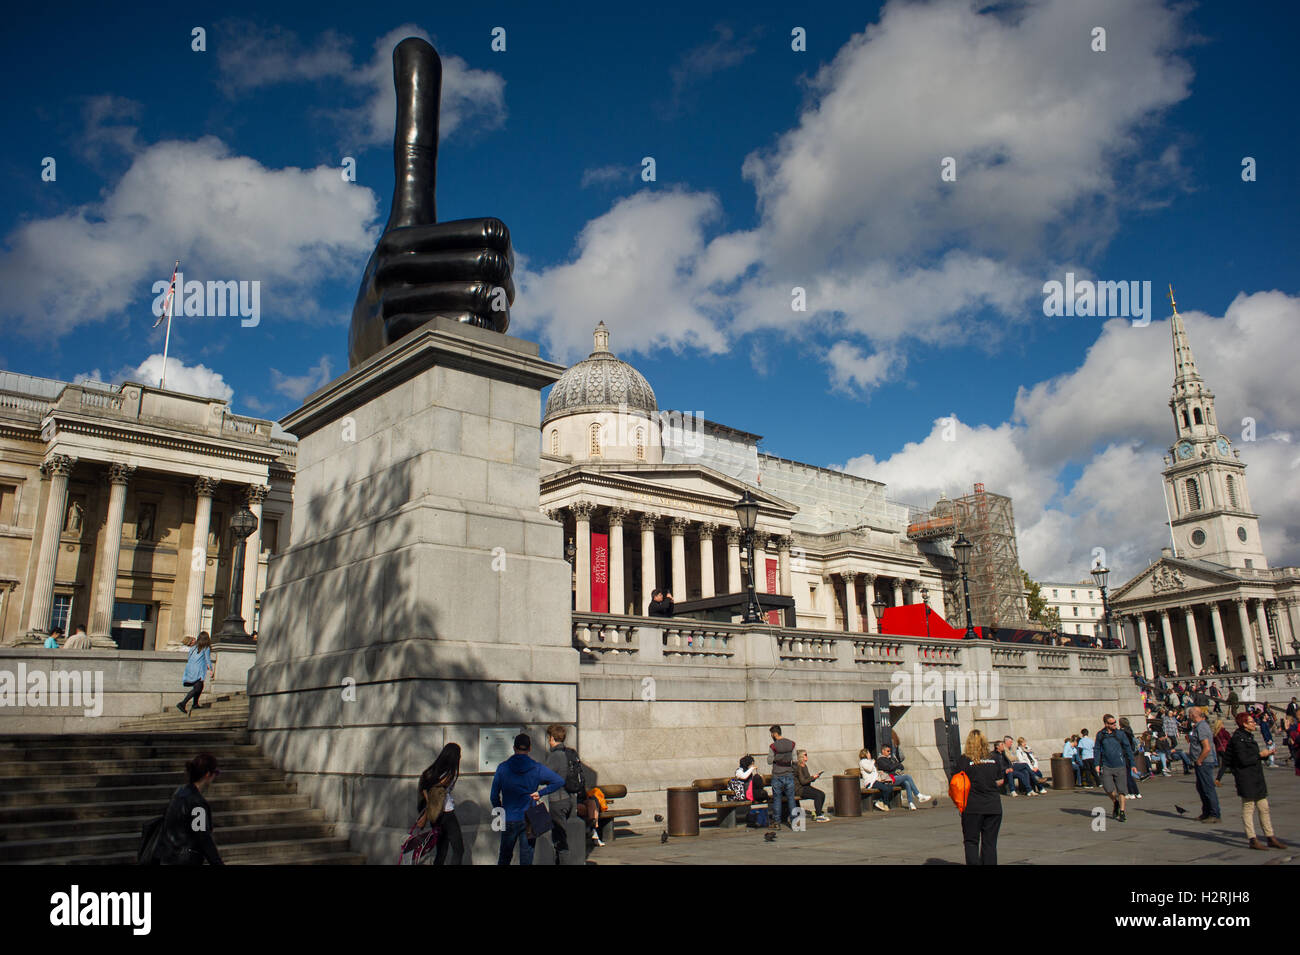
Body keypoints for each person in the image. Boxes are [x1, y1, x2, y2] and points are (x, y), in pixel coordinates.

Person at [490, 733, 565, 866]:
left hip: (508, 816)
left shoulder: (503, 767)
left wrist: (500, 810)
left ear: (514, 748)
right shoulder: (536, 767)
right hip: (529, 817)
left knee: (504, 857)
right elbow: (559, 781)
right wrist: (541, 793)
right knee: (527, 856)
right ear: (530, 748)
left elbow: (493, 796)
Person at [1220, 712, 1287, 850]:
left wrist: (1264, 755)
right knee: (1248, 807)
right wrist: (1260, 755)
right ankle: (1252, 838)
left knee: (1264, 807)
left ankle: (1270, 836)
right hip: (1246, 778)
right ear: (1244, 724)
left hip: (1256, 777)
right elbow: (1243, 760)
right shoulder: (1238, 739)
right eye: (1251, 722)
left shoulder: (1248, 737)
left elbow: (1251, 758)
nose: (1254, 723)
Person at [155, 754, 223, 865]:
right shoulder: (197, 803)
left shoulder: (179, 793)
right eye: (215, 773)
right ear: (207, 775)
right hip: (185, 859)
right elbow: (203, 838)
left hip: (168, 856)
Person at [955, 729, 1003, 865]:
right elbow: (1000, 780)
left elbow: (956, 783)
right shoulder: (993, 759)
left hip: (972, 805)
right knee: (990, 843)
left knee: (971, 842)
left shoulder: (964, 760)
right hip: (993, 805)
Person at [416, 743, 463, 865]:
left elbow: (426, 791)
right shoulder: (448, 775)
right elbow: (435, 797)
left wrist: (426, 816)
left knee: (442, 851)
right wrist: (426, 815)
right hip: (446, 814)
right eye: (459, 754)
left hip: (435, 818)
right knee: (458, 849)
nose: (460, 757)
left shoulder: (432, 772)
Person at [543, 723, 581, 863]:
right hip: (570, 799)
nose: (548, 741)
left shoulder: (555, 756)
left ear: (552, 738)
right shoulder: (568, 753)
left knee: (559, 838)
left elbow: (544, 776)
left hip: (557, 800)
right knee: (565, 836)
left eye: (549, 737)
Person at [1095, 714, 1133, 821]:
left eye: (1115, 722)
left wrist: (1132, 764)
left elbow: (1128, 748)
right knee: (1108, 788)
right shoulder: (1100, 735)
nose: (1115, 724)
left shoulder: (1120, 734)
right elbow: (1097, 749)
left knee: (1122, 790)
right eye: (1112, 723)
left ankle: (1122, 812)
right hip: (1106, 765)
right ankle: (1115, 802)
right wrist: (1096, 764)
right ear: (1106, 724)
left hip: (1120, 765)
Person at [1189, 707, 1221, 823]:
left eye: (1190, 714)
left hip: (1204, 762)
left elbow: (1206, 747)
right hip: (1202, 761)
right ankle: (1206, 812)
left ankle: (1214, 814)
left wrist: (1199, 760)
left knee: (1207, 788)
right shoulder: (1199, 726)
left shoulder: (1201, 727)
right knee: (1201, 787)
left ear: (1194, 715)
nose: (1188, 716)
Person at [878, 744, 931, 809]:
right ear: (883, 751)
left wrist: (896, 765)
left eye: (890, 751)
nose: (889, 753)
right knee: (907, 776)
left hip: (895, 777)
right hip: (888, 779)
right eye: (888, 751)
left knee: (907, 783)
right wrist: (896, 765)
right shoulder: (880, 760)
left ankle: (910, 803)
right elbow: (889, 768)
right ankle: (918, 795)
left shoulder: (890, 759)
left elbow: (901, 766)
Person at [766, 725, 797, 829]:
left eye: (771, 733)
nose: (771, 735)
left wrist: (776, 758)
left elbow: (769, 761)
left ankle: (777, 823)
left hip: (777, 774)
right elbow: (795, 760)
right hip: (789, 773)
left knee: (777, 799)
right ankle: (794, 822)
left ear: (775, 733)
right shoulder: (792, 744)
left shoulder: (773, 746)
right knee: (791, 799)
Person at [176, 632, 213, 715]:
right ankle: (183, 703)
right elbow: (207, 659)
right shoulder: (205, 647)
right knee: (197, 687)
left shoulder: (193, 648)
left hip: (190, 670)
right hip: (199, 670)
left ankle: (195, 704)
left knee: (199, 686)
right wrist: (211, 670)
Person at [793, 750, 830, 822]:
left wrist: (815, 777)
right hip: (800, 789)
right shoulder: (798, 766)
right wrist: (813, 777)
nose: (807, 756)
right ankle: (819, 815)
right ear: (801, 757)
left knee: (822, 794)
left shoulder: (804, 765)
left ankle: (818, 813)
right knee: (818, 795)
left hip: (806, 787)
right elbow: (803, 781)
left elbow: (807, 779)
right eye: (805, 755)